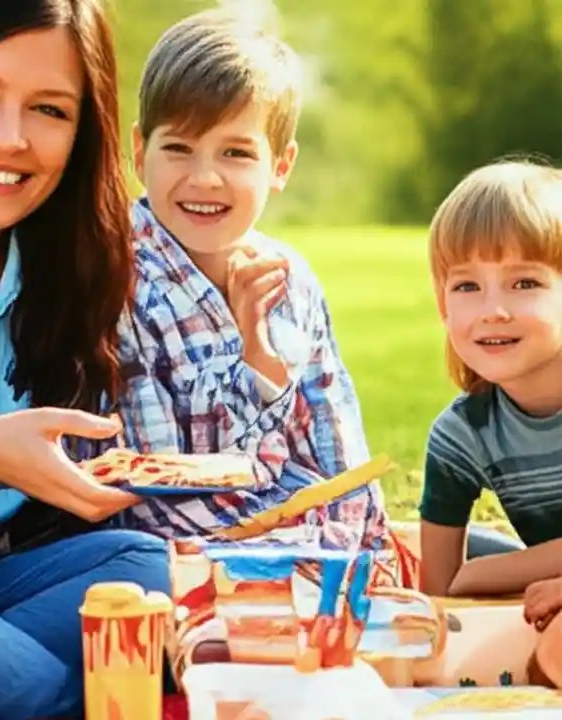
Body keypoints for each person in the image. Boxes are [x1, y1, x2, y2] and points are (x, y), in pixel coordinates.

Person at [0, 1, 172, 717]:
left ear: (81, 133)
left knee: (144, 572)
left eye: (50, 110)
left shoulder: (59, 279)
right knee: (48, 688)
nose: (8, 138)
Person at [78, 8, 389, 558]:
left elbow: (336, 448)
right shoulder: (114, 280)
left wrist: (360, 550)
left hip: (300, 545)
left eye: (237, 153)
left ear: (281, 165)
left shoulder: (292, 283)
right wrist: (258, 363)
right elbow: (164, 481)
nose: (204, 178)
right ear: (138, 150)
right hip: (175, 552)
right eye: (178, 148)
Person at [419, 160, 562, 599]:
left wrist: (485, 575)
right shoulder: (463, 434)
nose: (492, 310)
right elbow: (441, 592)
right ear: (443, 306)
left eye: (523, 282)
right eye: (466, 287)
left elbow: (466, 582)